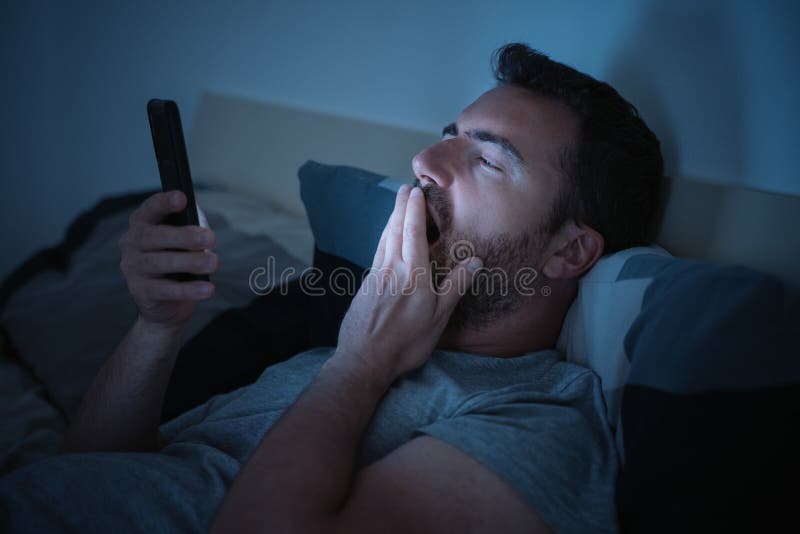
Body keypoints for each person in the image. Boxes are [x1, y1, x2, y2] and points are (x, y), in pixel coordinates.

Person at [2, 43, 663, 533]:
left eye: (486, 158)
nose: (424, 163)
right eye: (447, 139)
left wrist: (361, 364)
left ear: (569, 250)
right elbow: (88, 474)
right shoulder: (337, 352)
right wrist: (157, 325)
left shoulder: (541, 422)